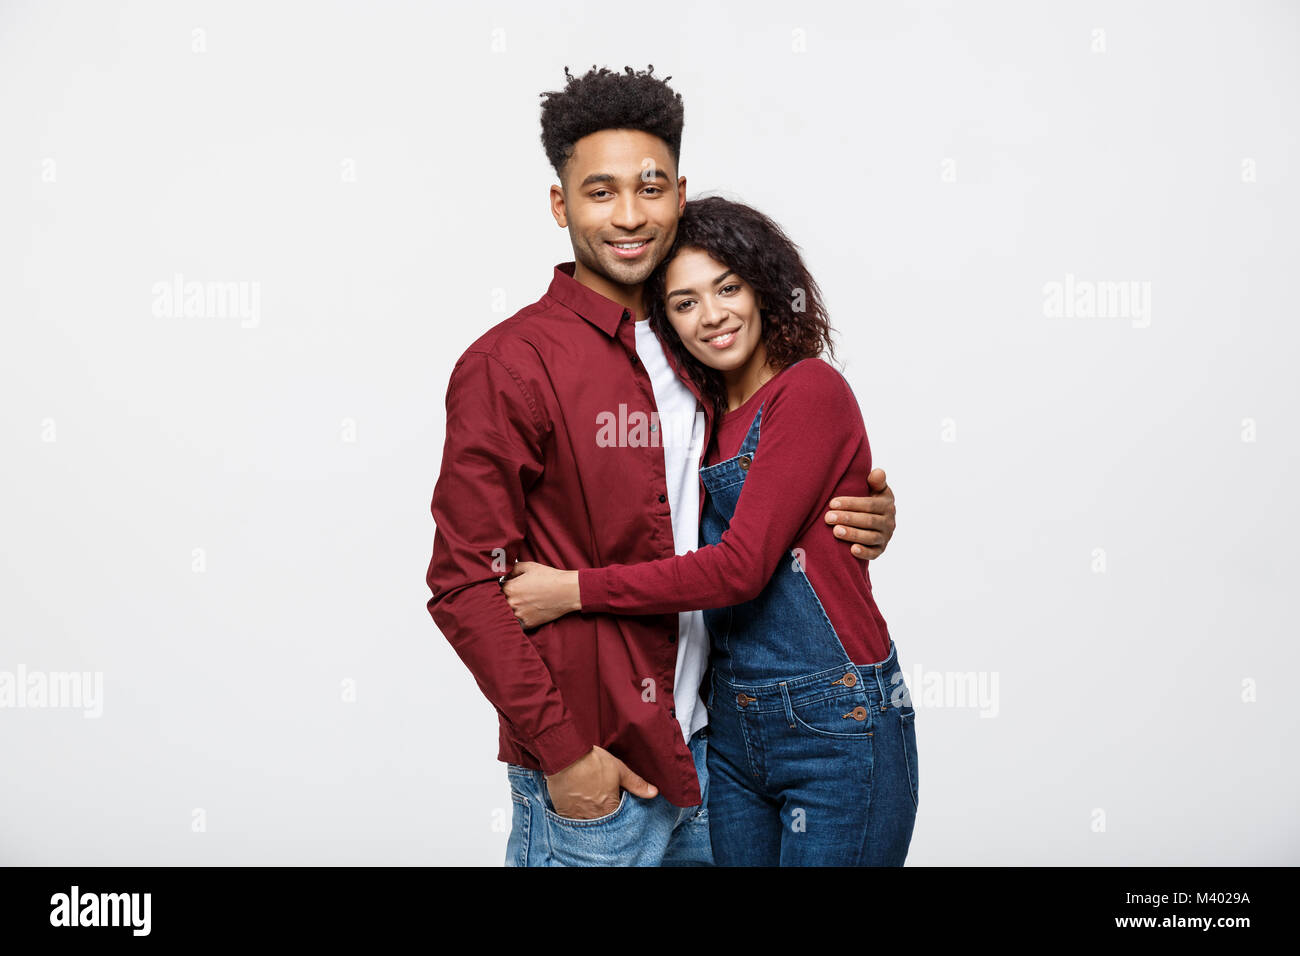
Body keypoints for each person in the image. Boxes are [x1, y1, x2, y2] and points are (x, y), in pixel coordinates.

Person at [426, 65, 897, 868]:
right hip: (598, 780)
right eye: (599, 192)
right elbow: (466, 584)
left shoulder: (696, 353)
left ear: (679, 194)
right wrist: (566, 755)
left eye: (649, 187)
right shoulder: (510, 364)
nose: (629, 215)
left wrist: (859, 511)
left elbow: (749, 513)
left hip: (715, 762)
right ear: (559, 205)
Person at [503, 196, 919, 866]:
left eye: (727, 287)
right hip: (731, 727)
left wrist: (573, 590)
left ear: (763, 287)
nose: (714, 315)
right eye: (685, 301)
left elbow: (737, 569)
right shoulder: (703, 418)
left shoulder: (809, 390)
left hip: (836, 718)